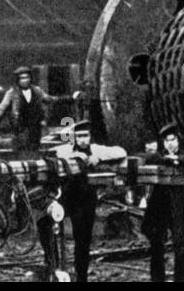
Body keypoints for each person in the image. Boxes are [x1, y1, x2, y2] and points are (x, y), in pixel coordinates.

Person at [41, 120, 127, 282]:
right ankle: (54, 266)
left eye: (85, 136)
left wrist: (97, 158)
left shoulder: (96, 149)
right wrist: (71, 157)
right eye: (79, 136)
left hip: (85, 201)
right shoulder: (66, 149)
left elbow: (121, 151)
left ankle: (81, 277)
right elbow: (47, 153)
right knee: (44, 220)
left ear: (90, 137)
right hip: (67, 197)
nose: (82, 140)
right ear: (73, 137)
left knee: (82, 240)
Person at [140, 122, 184, 282]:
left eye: (173, 140)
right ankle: (157, 279)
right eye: (167, 141)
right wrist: (166, 160)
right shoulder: (158, 156)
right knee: (156, 244)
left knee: (181, 244)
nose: (170, 143)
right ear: (163, 143)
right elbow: (146, 157)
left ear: (178, 141)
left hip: (179, 205)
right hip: (160, 205)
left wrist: (177, 159)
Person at [0, 66, 78, 155]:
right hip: (20, 130)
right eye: (22, 78)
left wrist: (70, 98)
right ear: (18, 80)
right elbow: (0, 111)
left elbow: (51, 99)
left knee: (34, 152)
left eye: (27, 77)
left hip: (35, 130)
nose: (25, 80)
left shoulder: (37, 91)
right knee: (21, 152)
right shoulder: (11, 94)